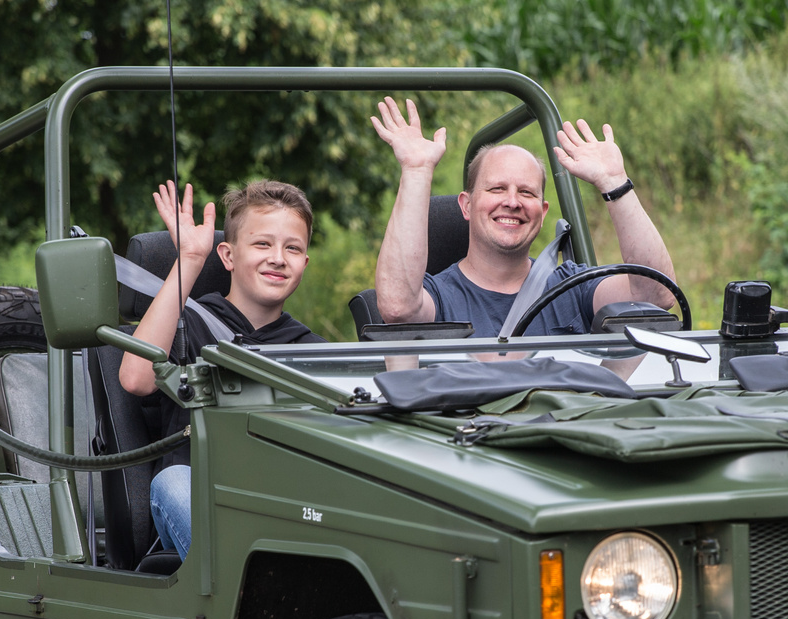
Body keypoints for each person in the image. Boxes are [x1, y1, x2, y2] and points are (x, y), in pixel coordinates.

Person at [120, 179, 325, 560]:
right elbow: (135, 378)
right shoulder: (187, 324)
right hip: (199, 495)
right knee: (173, 482)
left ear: (304, 263)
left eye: (292, 248)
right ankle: (248, 580)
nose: (278, 257)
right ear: (227, 256)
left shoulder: (311, 349)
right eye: (262, 244)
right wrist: (191, 261)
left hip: (281, 502)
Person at [369, 97, 678, 338]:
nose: (513, 202)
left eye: (527, 193)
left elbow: (656, 294)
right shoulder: (441, 296)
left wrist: (615, 182)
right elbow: (398, 308)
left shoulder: (571, 287)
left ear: (542, 214)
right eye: (497, 188)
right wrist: (416, 170)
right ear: (466, 205)